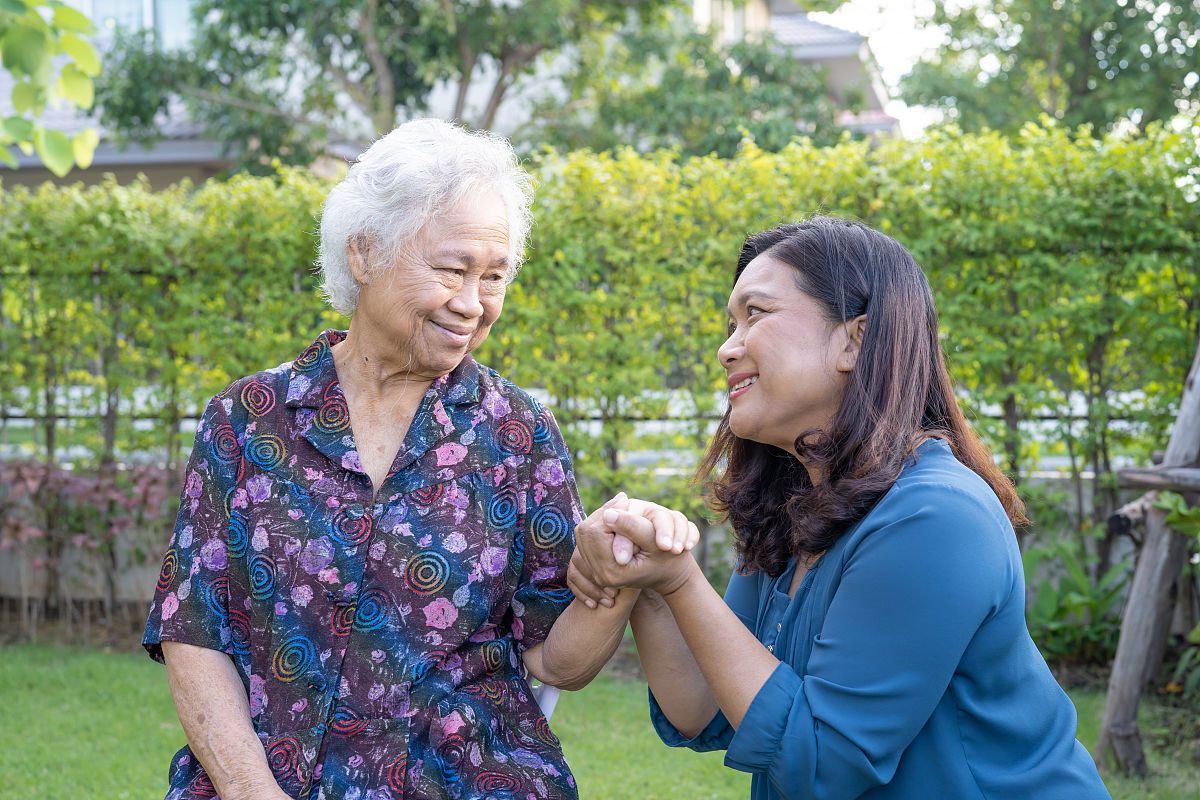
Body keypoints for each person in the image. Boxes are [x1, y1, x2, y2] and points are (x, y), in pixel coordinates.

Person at [142, 118, 692, 800]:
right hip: (267, 779)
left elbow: (556, 658)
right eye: (453, 269)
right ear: (365, 254)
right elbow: (192, 631)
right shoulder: (248, 420)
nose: (473, 303)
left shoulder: (518, 434)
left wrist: (617, 584)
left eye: (493, 276)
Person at [568, 217, 1113, 799]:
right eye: (730, 323)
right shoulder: (793, 507)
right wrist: (649, 583)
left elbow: (824, 762)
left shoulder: (936, 516)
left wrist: (682, 584)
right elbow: (704, 709)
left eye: (757, 313)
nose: (727, 348)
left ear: (854, 339)